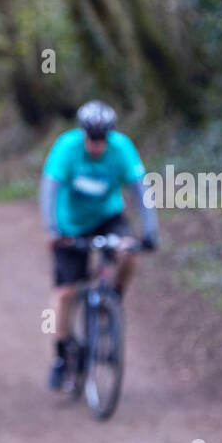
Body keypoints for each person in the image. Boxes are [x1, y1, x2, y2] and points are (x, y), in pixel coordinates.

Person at [39, 100, 158, 391]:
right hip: (70, 226)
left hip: (108, 217)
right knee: (65, 292)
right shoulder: (67, 148)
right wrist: (53, 230)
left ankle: (113, 300)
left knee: (128, 252)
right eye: (91, 139)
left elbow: (141, 190)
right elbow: (49, 189)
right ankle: (61, 353)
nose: (96, 145)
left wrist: (150, 230)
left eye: (102, 138)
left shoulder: (122, 149)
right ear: (83, 134)